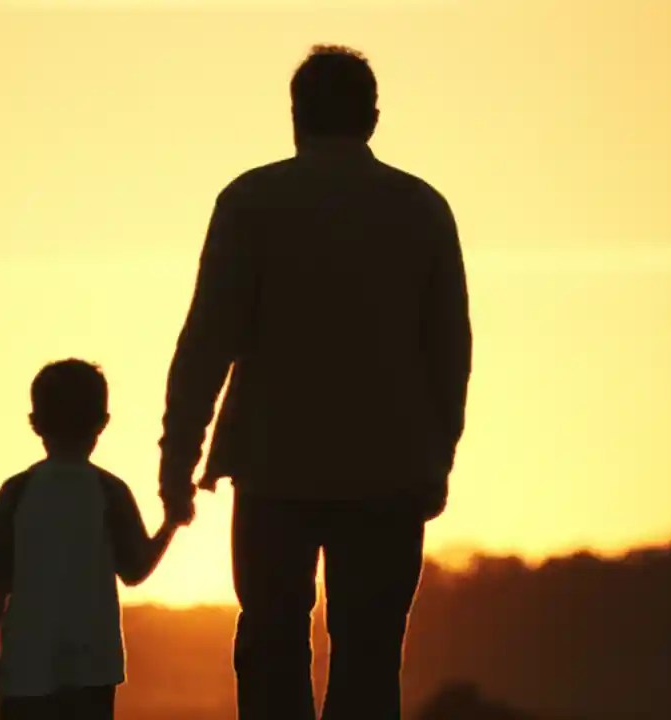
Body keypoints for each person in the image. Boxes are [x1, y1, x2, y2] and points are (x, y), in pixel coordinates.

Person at [158, 45, 472, 719]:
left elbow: (205, 342)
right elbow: (451, 350)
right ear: (374, 117)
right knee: (369, 660)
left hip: (275, 470)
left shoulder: (249, 201)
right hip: (389, 473)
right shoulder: (422, 209)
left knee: (271, 648)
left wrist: (179, 458)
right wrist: (437, 454)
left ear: (296, 116)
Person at [0, 359, 177, 720]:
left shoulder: (16, 491)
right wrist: (170, 525)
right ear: (102, 422)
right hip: (92, 669)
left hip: (25, 667)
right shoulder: (109, 491)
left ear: (35, 423)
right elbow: (135, 570)